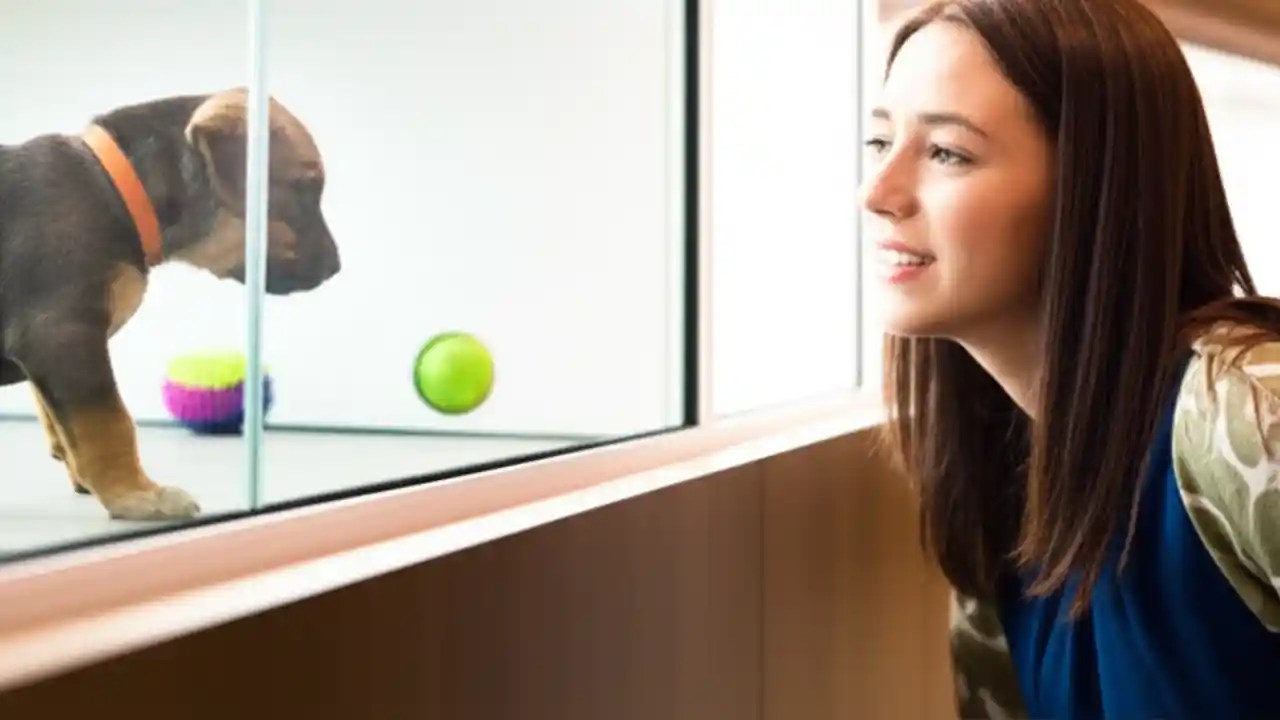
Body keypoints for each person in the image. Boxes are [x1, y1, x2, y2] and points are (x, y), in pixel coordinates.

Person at [859, 0, 1280, 717]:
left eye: (947, 153)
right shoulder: (990, 467)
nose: (878, 194)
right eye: (879, 143)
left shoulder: (1243, 411)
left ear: (1095, 185)